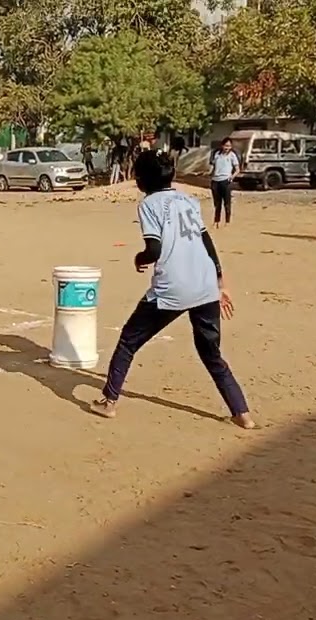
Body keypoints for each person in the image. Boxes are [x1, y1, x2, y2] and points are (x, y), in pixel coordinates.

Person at [91, 148, 255, 430]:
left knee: (129, 340)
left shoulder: (148, 205)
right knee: (210, 353)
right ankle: (242, 413)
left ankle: (109, 401)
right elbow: (206, 242)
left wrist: (138, 259)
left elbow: (154, 249)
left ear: (142, 179)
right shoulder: (188, 200)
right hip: (204, 284)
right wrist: (220, 283)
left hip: (174, 287)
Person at [209, 137, 240, 228]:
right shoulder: (217, 154)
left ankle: (227, 222)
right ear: (222, 145)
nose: (227, 148)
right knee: (217, 203)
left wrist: (232, 177)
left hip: (225, 181)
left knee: (227, 203)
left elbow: (237, 169)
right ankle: (216, 221)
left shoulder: (232, 155)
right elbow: (213, 167)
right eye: (226, 145)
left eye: (229, 146)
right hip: (215, 181)